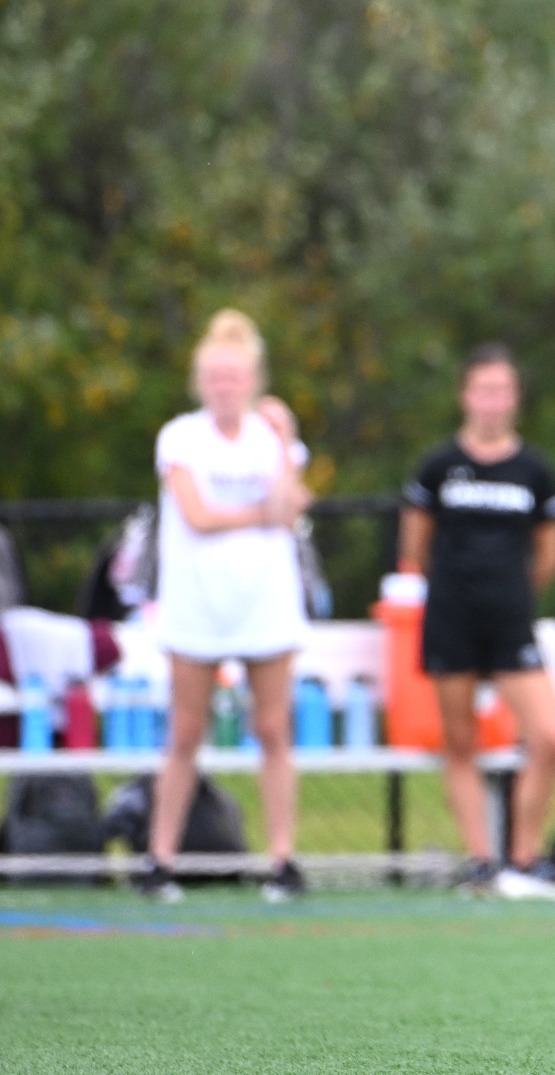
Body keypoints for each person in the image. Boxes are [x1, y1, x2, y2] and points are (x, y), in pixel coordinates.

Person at [139, 309, 313, 903]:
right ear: (201, 381)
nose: (225, 388)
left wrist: (287, 443)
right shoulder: (180, 436)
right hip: (198, 606)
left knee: (273, 729)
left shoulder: (272, 439)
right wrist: (256, 517)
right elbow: (199, 515)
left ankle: (283, 859)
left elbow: (290, 509)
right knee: (186, 731)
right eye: (215, 377)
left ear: (252, 379)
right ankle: (159, 859)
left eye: (235, 377)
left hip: (265, 603)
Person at [400, 344, 555, 901]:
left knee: (550, 737)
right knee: (460, 742)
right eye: (482, 389)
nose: (491, 401)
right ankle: (481, 861)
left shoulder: (533, 470)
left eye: (501, 390)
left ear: (515, 399)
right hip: (451, 619)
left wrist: (510, 593)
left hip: (510, 625)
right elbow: (416, 547)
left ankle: (523, 858)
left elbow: (550, 553)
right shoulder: (437, 466)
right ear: (465, 395)